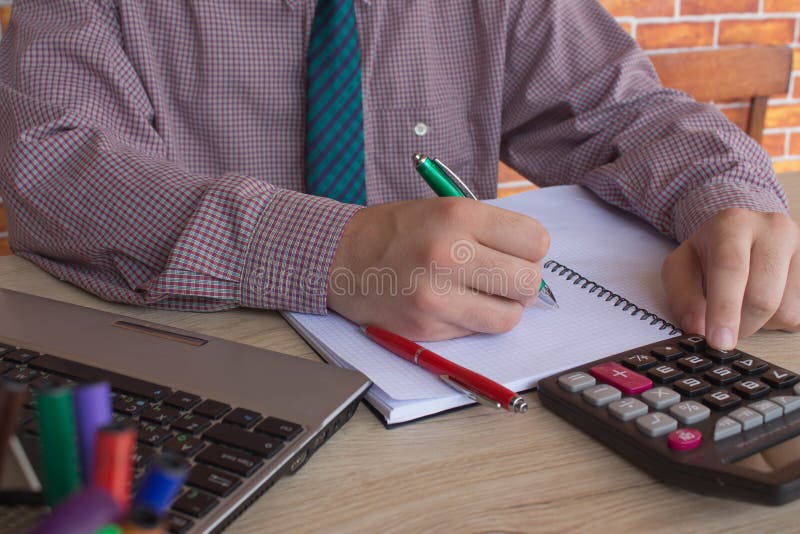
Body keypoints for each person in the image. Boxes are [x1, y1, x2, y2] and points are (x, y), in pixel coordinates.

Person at [0, 0, 797, 351]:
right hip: (209, 399)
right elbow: (56, 169)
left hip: (466, 402)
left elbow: (623, 111)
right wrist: (331, 252)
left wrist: (725, 194)